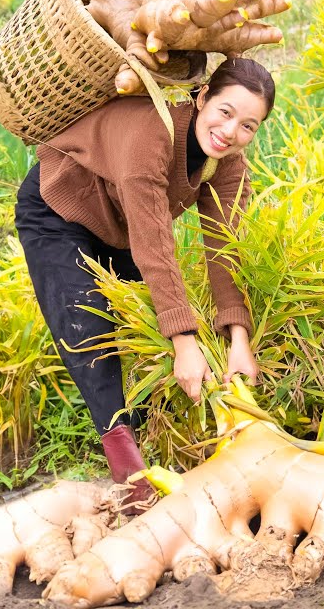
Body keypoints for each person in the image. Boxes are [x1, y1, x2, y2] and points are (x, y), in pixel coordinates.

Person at [14, 57, 274, 511]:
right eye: (225, 112)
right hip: (60, 207)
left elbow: (224, 250)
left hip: (120, 225)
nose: (231, 132)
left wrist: (238, 337)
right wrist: (186, 341)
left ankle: (160, 440)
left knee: (151, 329)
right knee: (88, 325)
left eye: (248, 125)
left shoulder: (227, 165)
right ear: (203, 96)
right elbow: (155, 246)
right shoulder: (150, 137)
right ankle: (128, 474)